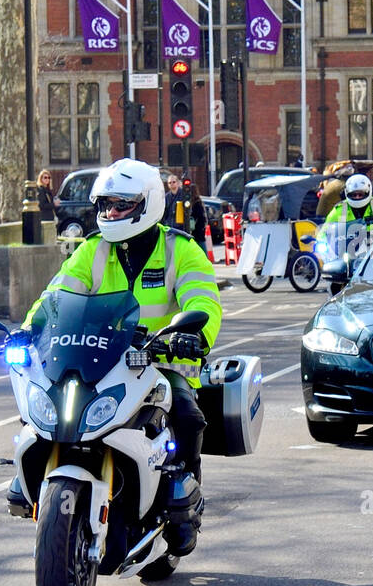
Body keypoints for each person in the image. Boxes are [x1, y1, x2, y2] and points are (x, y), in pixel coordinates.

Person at [19, 158, 222, 556]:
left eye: (120, 205)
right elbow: (55, 297)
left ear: (147, 203)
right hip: (99, 358)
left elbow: (204, 301)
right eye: (105, 204)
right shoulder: (93, 250)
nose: (110, 212)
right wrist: (30, 329)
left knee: (186, 413)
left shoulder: (180, 250)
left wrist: (191, 336)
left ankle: (184, 503)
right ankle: (31, 484)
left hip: (161, 360)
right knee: (44, 402)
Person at [315, 173, 373, 264]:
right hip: (346, 251)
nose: (357, 197)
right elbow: (325, 229)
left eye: (360, 194)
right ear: (347, 193)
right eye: (354, 195)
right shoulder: (339, 208)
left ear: (368, 192)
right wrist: (321, 242)